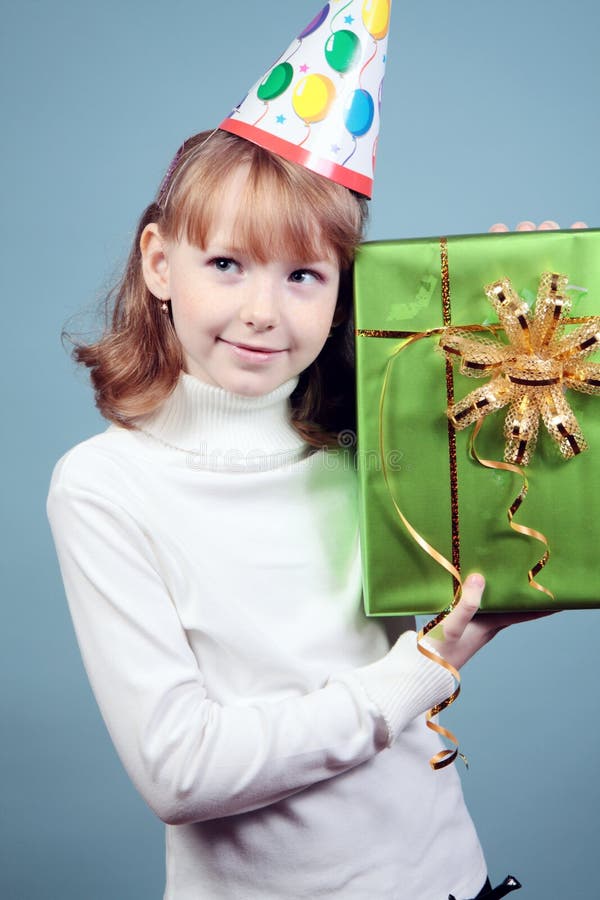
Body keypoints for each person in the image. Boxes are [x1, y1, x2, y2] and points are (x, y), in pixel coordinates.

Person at [45, 8, 560, 899]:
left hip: (451, 882)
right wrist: (420, 672)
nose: (262, 311)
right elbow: (181, 770)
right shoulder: (104, 488)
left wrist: (551, 320)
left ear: (339, 292)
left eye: (302, 275)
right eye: (227, 264)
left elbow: (535, 524)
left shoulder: (370, 446)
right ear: (161, 263)